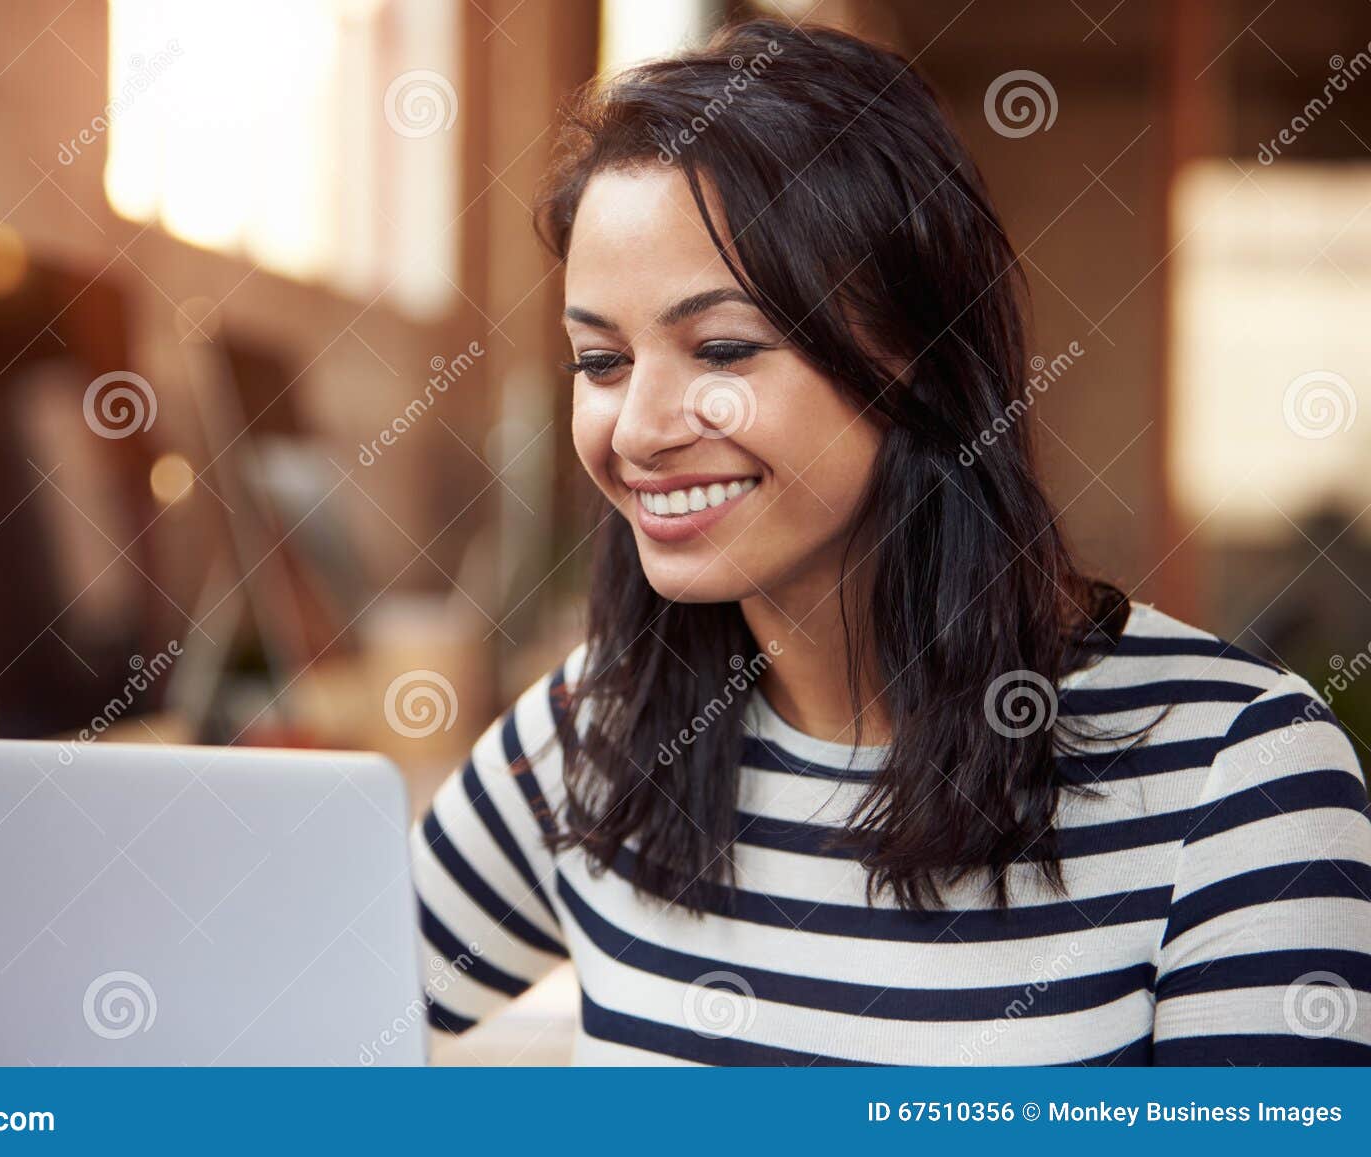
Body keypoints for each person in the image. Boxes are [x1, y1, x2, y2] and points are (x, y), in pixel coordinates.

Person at [409, 17, 1371, 1065]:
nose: (637, 428)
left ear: (917, 354)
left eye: (722, 348)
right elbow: (284, 1030)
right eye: (598, 361)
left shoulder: (1241, 776)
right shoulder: (591, 731)